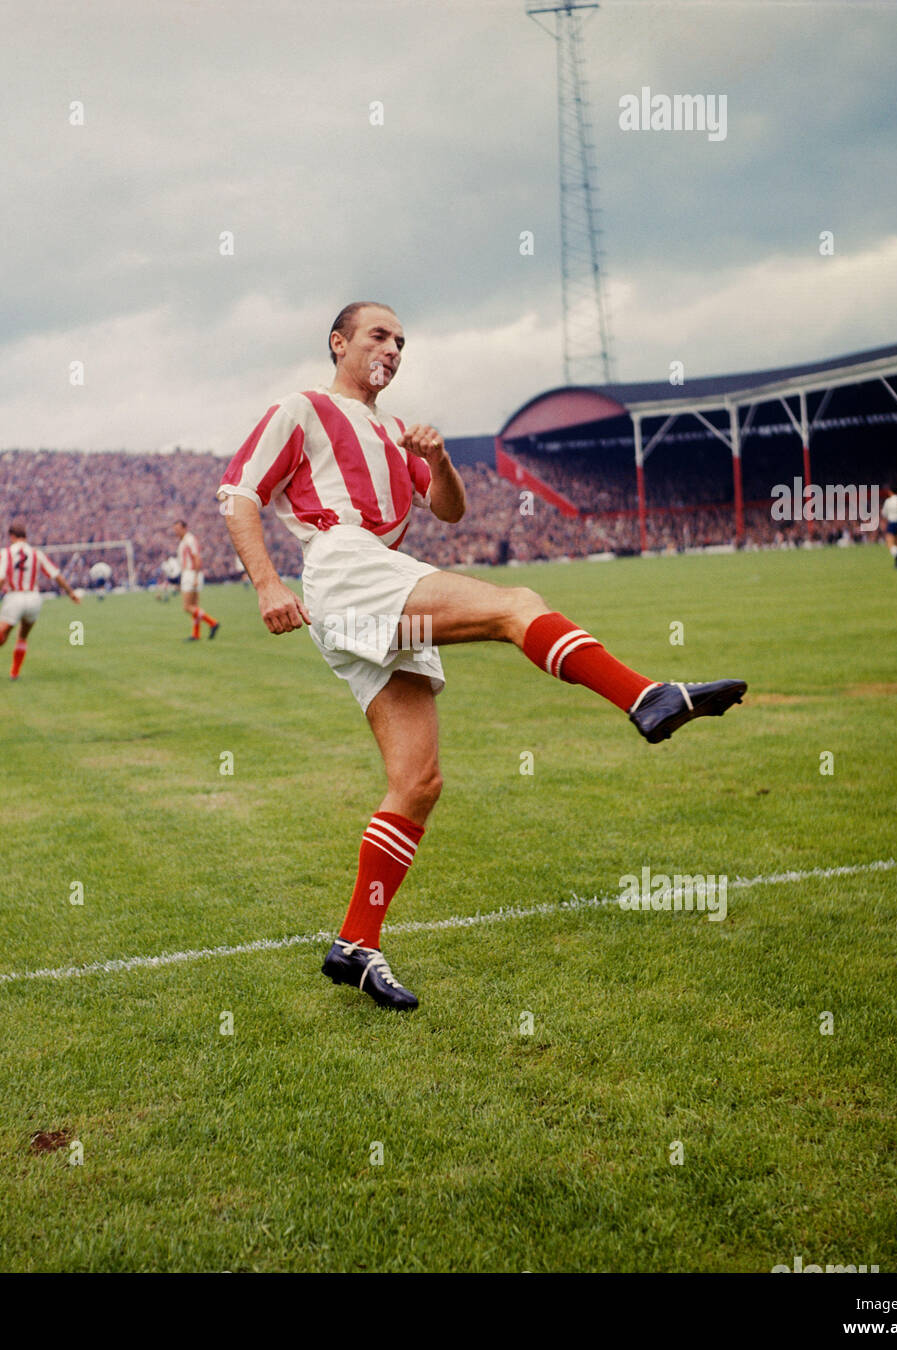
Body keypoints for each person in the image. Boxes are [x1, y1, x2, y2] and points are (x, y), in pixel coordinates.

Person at [218, 301, 747, 1011]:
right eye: (378, 335)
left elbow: (450, 511)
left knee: (418, 781)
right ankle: (646, 696)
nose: (393, 348)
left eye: (402, 340)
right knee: (515, 604)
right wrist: (265, 583)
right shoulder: (304, 408)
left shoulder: (397, 434)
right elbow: (238, 495)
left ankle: (356, 944)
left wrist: (436, 460)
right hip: (346, 567)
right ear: (338, 343)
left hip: (375, 573)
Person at [0, 522, 81, 679]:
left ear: (11, 536)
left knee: (2, 639)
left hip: (14, 597)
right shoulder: (36, 553)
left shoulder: (7, 553)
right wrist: (71, 593)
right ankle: (14, 673)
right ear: (26, 536)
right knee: (22, 636)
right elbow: (56, 575)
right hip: (34, 598)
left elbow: (0, 578)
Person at [174, 519, 219, 641]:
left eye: (178, 529)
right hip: (189, 574)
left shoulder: (189, 540)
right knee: (194, 606)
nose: (176, 532)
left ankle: (212, 623)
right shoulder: (184, 541)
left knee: (187, 606)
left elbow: (197, 558)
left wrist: (195, 576)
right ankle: (196, 634)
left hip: (191, 573)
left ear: (184, 528)